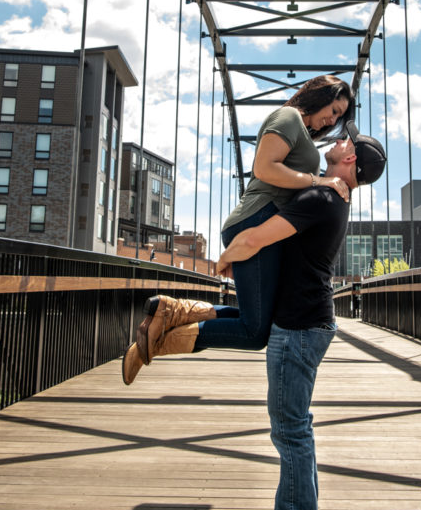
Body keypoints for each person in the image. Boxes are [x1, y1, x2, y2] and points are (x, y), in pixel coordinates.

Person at [214, 121, 387, 510]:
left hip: (297, 329)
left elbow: (253, 239)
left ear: (350, 159)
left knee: (291, 435)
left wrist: (228, 254)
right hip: (308, 324)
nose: (337, 139)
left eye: (345, 139)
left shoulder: (320, 197)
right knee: (296, 433)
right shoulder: (335, 198)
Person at [122, 75, 354, 385]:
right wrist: (320, 181)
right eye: (334, 109)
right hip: (256, 218)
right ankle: (160, 338)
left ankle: (172, 312)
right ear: (320, 94)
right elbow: (264, 168)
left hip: (261, 220)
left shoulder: (301, 130)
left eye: (339, 115)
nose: (333, 119)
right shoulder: (288, 116)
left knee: (257, 322)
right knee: (254, 333)